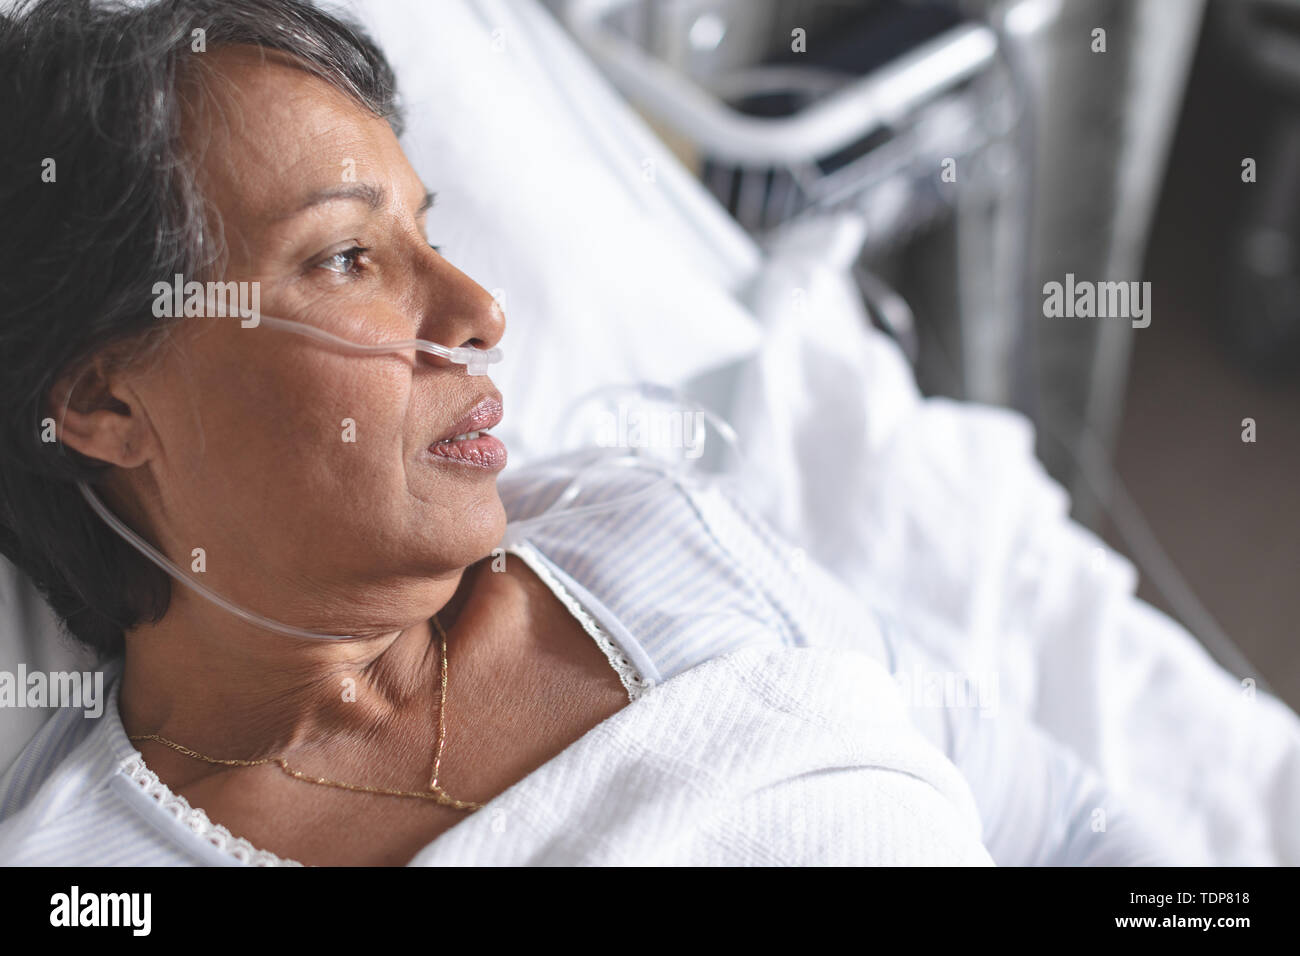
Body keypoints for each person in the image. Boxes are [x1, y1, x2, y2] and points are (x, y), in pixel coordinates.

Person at [0, 0, 1172, 866]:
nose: (479, 315)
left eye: (431, 236)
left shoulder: (651, 526)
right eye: (348, 257)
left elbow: (1069, 827)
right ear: (106, 403)